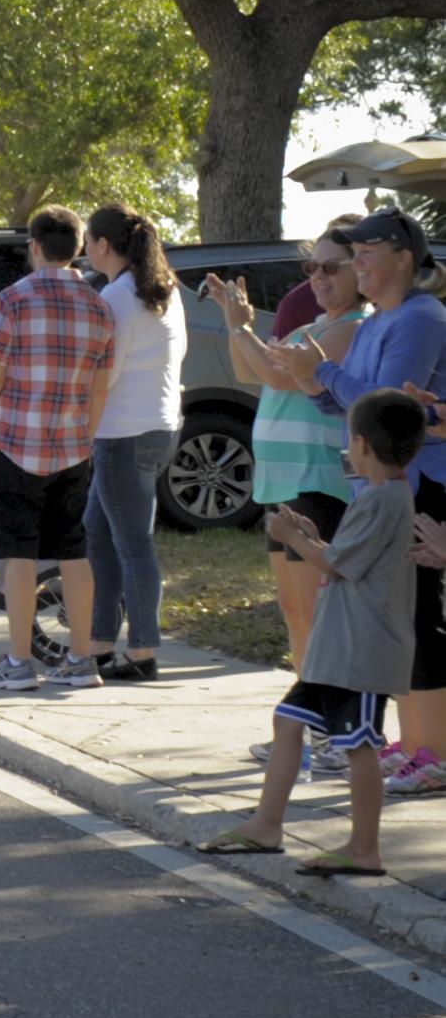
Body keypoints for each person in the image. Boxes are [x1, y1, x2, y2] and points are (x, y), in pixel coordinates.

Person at [199, 391, 423, 877]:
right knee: (287, 719)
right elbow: (348, 558)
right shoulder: (381, 497)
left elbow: (340, 565)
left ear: (360, 443)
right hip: (336, 649)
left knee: (359, 743)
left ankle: (364, 847)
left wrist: (294, 539)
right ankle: (266, 824)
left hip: (360, 651)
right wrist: (311, 536)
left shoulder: (384, 499)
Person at [273, 205, 446, 795]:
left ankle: (433, 751)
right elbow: (350, 405)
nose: (358, 265)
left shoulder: (422, 317)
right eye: (357, 254)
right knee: (401, 619)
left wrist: (323, 374)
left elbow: (384, 406)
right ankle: (414, 742)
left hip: (424, 490)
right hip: (375, 490)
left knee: (423, 618)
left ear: (403, 258)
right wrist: (311, 378)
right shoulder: (374, 322)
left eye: (367, 254)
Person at [216, 220, 367, 764]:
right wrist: (237, 326)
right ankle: (312, 728)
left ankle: (334, 730)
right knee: (296, 612)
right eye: (312, 267)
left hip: (318, 480)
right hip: (282, 482)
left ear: (362, 269)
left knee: (319, 615)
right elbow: (249, 368)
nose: (319, 278)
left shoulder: (352, 326)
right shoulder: (317, 324)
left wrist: (244, 330)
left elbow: (279, 377)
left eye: (332, 267)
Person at [0, 204, 114, 690]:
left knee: (18, 554)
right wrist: (86, 437)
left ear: (33, 247)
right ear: (77, 249)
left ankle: (19, 661)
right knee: (74, 551)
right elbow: (100, 386)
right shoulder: (100, 306)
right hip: (73, 447)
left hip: (16, 443)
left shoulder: (12, 299)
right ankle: (81, 658)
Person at [80, 203, 188, 682]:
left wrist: (79, 424)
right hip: (159, 426)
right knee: (98, 534)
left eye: (88, 240)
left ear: (103, 245)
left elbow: (109, 370)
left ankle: (143, 652)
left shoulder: (118, 297)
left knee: (132, 545)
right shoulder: (163, 290)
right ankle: (100, 645)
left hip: (123, 432)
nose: (85, 248)